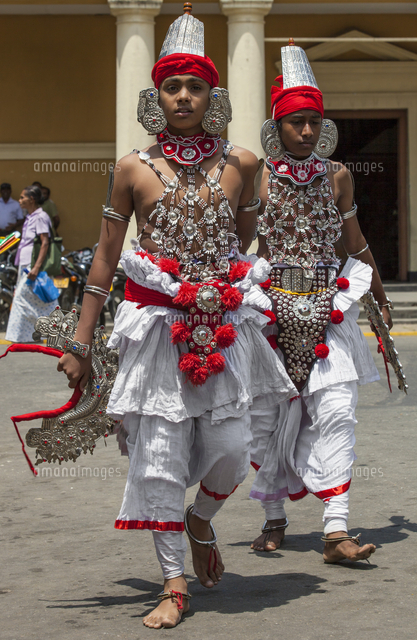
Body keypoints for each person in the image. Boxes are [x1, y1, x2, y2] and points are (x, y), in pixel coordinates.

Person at [57, 5, 295, 630]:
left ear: (211, 95)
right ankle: (172, 582)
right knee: (158, 457)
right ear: (156, 95)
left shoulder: (245, 163)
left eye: (195, 86)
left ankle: (201, 521)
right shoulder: (132, 167)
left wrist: (278, 314)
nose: (184, 96)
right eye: (172, 86)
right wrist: (80, 341)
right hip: (157, 329)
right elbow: (108, 255)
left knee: (231, 447)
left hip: (224, 329)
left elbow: (253, 248)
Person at [248, 41, 392, 564]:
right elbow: (240, 243)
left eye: (313, 121)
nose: (306, 131)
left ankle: (336, 531)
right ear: (277, 125)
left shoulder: (338, 175)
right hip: (269, 313)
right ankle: (273, 518)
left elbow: (353, 241)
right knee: (269, 418)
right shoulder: (256, 176)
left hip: (329, 308)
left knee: (336, 412)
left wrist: (376, 291)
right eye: (296, 122)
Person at [5, 185, 58, 342]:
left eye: (22, 197)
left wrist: (36, 267)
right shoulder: (30, 217)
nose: (20, 200)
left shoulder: (41, 217)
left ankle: (48, 330)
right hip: (25, 263)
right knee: (30, 300)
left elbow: (45, 242)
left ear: (32, 199)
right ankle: (27, 335)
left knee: (23, 298)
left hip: (32, 265)